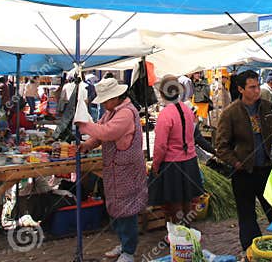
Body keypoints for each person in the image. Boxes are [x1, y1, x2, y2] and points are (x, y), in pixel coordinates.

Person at [215, 70, 272, 251]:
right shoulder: (230, 113)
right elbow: (221, 147)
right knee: (247, 216)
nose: (256, 90)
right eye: (252, 87)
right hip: (243, 173)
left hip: (268, 171)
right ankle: (252, 251)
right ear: (240, 89)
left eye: (257, 86)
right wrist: (236, 163)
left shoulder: (268, 107)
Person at [78, 78, 147, 262]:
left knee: (127, 209)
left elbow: (108, 132)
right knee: (116, 207)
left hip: (127, 170)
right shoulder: (111, 112)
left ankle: (129, 251)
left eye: (106, 100)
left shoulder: (126, 113)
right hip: (116, 169)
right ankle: (124, 244)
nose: (104, 104)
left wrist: (84, 125)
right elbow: (101, 131)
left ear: (116, 97)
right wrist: (88, 144)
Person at [150, 75, 204, 226]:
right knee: (187, 198)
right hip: (189, 160)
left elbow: (160, 145)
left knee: (175, 201)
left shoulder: (165, 115)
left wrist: (155, 165)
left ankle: (178, 232)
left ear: (161, 93)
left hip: (173, 164)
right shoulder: (187, 110)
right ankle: (187, 229)